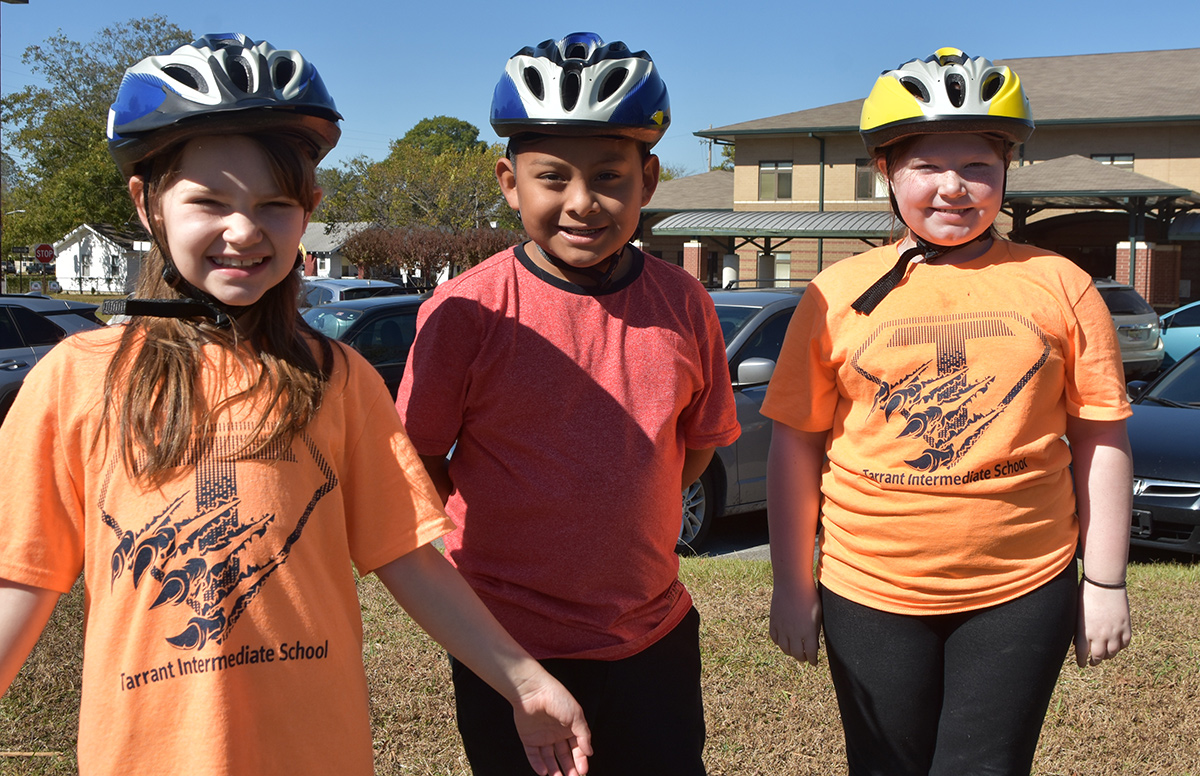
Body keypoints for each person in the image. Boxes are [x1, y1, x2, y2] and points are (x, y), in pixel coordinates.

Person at [0, 33, 591, 776]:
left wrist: (524, 681)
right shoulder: (76, 379)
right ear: (146, 203)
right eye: (209, 201)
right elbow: (21, 579)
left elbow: (409, 559)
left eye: (274, 204)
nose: (244, 230)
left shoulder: (338, 379)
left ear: (308, 210)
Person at [762, 48, 1133, 776]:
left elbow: (1102, 436)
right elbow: (795, 446)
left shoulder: (1060, 283)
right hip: (869, 585)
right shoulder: (834, 292)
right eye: (927, 166)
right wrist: (791, 584)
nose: (954, 188)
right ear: (886, 171)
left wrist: (1105, 580)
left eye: (978, 166)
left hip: (1023, 584)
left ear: (1007, 170)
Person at [396, 32, 739, 775]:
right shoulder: (464, 312)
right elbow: (418, 462)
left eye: (609, 176)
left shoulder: (685, 302)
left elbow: (696, 443)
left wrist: (623, 502)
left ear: (649, 180)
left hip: (652, 636)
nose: (582, 202)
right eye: (552, 177)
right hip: (507, 645)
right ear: (509, 181)